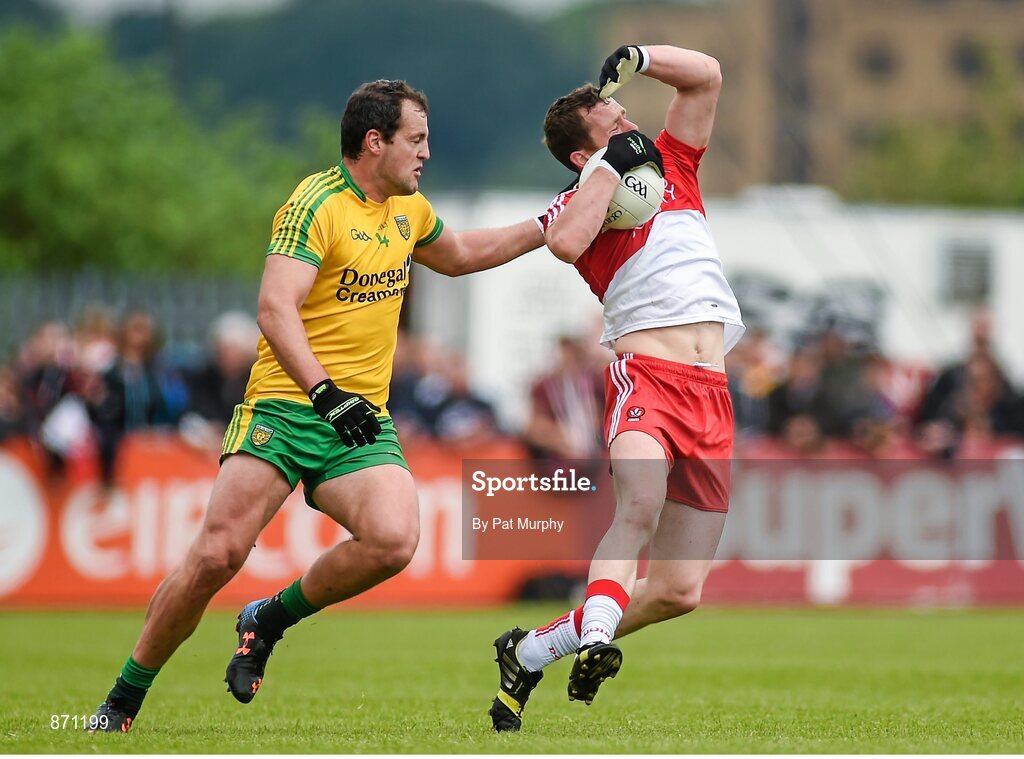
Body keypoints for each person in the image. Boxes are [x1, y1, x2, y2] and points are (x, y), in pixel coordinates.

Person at [90, 79, 545, 733]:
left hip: (358, 417)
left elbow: (466, 253)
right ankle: (122, 701)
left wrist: (550, 221)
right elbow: (275, 308)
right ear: (374, 141)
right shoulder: (316, 202)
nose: (425, 154)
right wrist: (324, 393)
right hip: (287, 405)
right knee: (217, 555)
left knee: (394, 539)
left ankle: (267, 618)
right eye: (416, 140)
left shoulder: (408, 211)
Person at [489, 44, 745, 732]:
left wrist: (638, 56)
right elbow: (566, 243)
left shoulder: (672, 168)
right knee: (636, 511)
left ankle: (533, 649)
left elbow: (707, 75)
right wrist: (608, 167)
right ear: (581, 154)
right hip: (647, 379)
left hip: (711, 392)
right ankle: (597, 639)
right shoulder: (588, 197)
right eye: (611, 116)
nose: (628, 119)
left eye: (624, 108)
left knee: (678, 590)